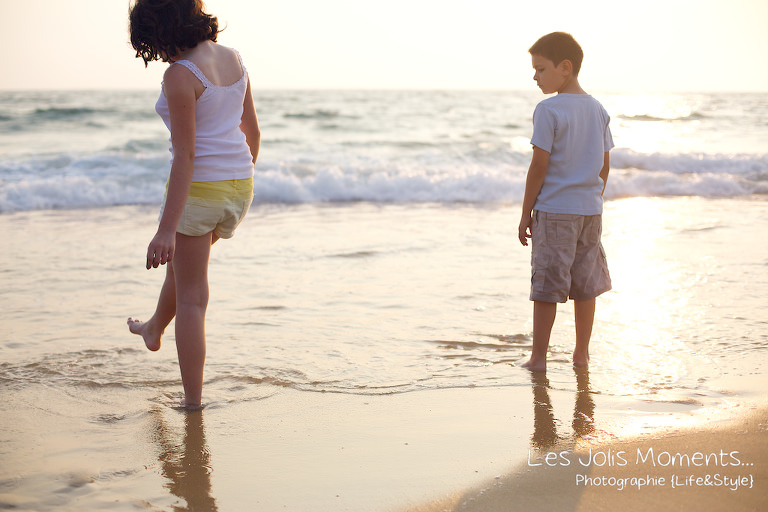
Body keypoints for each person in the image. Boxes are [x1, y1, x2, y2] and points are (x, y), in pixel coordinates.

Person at [126, 0, 261, 409]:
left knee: (192, 298)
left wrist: (165, 229)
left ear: (164, 31)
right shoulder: (234, 58)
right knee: (186, 272)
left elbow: (185, 156)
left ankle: (192, 403)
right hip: (239, 187)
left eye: (154, 43)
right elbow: (251, 131)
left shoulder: (180, 75)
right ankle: (152, 327)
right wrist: (235, 182)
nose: (159, 55)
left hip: (199, 191)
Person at [518, 32, 613, 372]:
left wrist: (526, 211)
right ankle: (581, 355)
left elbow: (539, 165)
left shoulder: (549, 109)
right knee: (584, 287)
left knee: (546, 286)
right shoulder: (598, 109)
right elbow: (604, 165)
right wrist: (591, 198)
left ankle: (538, 358)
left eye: (540, 69)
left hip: (556, 211)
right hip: (590, 212)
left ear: (565, 67)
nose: (535, 77)